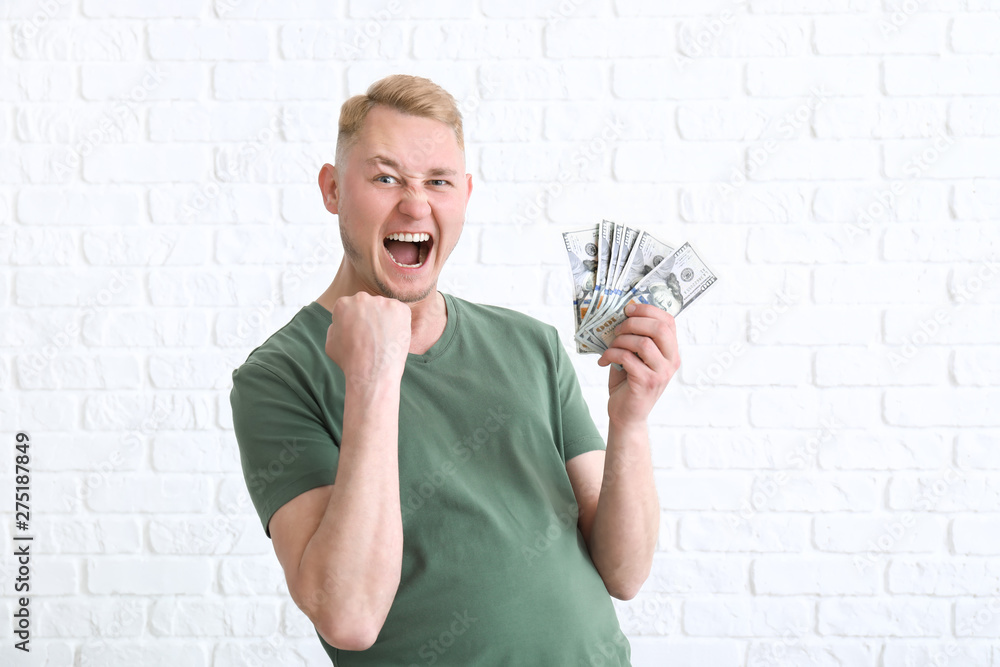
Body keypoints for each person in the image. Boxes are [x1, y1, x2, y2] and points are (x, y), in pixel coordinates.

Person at [229, 74, 680, 665]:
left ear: (464, 194)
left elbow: (625, 572)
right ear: (333, 188)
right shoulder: (279, 376)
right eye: (385, 177)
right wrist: (371, 381)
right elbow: (349, 616)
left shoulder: (532, 346)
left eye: (437, 182)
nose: (415, 204)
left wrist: (631, 421)